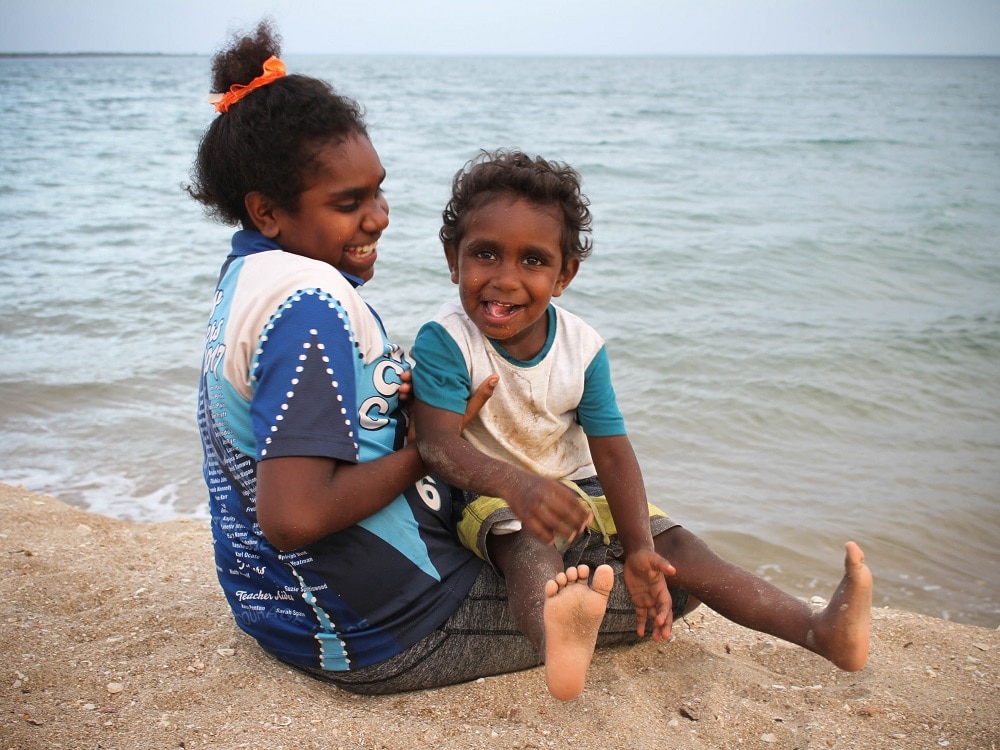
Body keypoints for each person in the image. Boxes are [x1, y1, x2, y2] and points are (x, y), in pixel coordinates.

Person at [189, 21, 642, 698]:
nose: (379, 217)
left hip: (277, 610)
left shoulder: (248, 277)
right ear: (268, 210)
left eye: (377, 191)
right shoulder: (310, 303)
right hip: (379, 626)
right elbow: (294, 517)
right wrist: (431, 448)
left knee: (541, 553)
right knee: (661, 587)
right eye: (349, 203)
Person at [411, 149, 874, 700]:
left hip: (577, 485)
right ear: (452, 259)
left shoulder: (582, 346)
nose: (506, 279)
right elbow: (438, 446)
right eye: (485, 254)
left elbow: (611, 453)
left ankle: (817, 630)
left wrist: (637, 549)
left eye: (533, 260)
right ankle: (556, 644)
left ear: (565, 275)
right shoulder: (446, 339)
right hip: (491, 491)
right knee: (532, 550)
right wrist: (516, 484)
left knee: (685, 552)